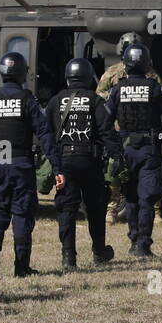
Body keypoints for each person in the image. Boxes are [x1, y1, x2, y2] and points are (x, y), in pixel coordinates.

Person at [0, 51, 64, 277]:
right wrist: (56, 167)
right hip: (21, 165)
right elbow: (45, 134)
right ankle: (21, 266)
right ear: (22, 74)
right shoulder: (27, 99)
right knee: (22, 213)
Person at [104, 42, 162, 257]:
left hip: (126, 151)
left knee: (132, 197)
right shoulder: (155, 88)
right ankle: (143, 245)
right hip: (149, 150)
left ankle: (134, 238)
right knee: (147, 198)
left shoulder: (117, 89)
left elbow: (105, 120)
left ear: (125, 64)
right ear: (147, 65)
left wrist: (113, 148)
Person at [47, 58, 118, 270]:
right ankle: (99, 251)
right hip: (89, 162)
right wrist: (118, 156)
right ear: (88, 77)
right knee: (96, 207)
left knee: (66, 210)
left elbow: (46, 132)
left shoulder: (56, 100)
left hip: (65, 162)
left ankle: (68, 258)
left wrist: (54, 164)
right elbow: (107, 131)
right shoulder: (95, 101)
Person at [98, 33, 159, 225]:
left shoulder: (150, 74)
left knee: (150, 173)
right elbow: (99, 95)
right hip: (119, 131)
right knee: (114, 171)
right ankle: (112, 209)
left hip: (143, 130)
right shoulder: (112, 73)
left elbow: (159, 96)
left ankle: (155, 209)